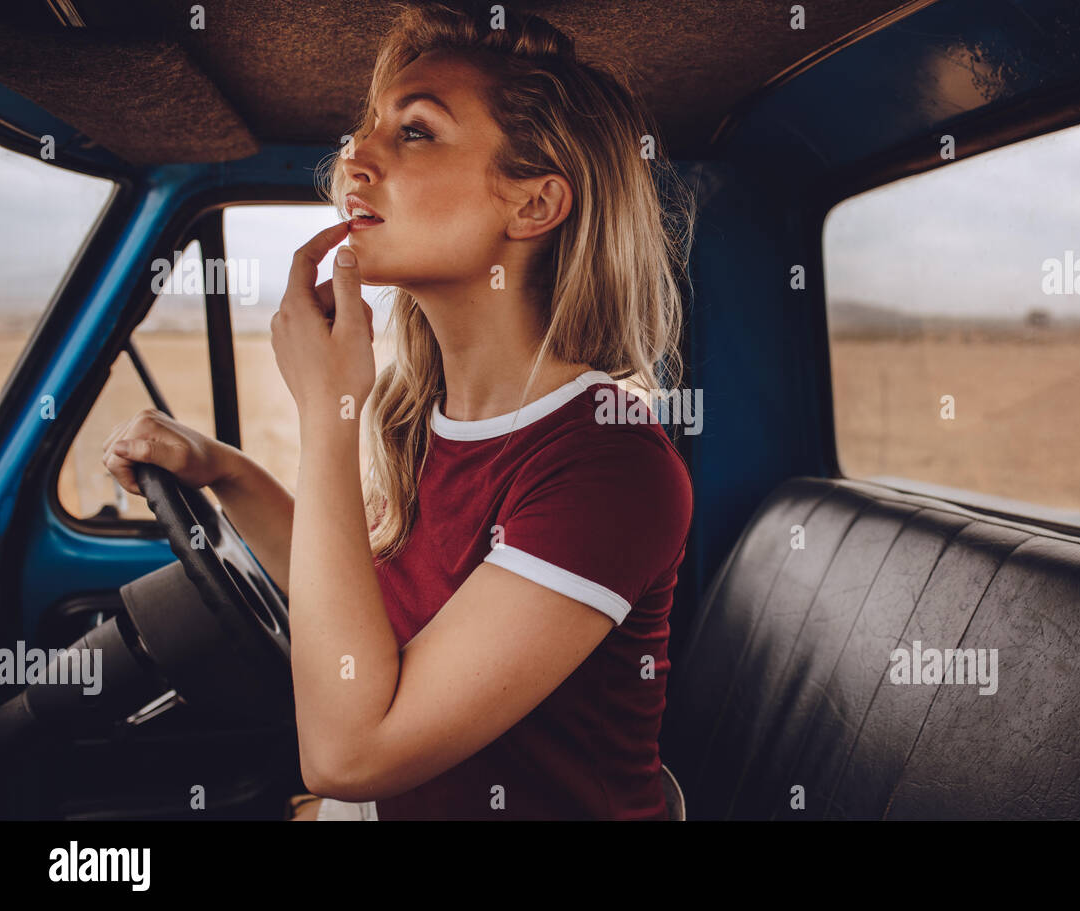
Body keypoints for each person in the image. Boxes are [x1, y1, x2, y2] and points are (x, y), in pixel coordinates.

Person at [102, 0, 695, 820]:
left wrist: (328, 408)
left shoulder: (609, 463)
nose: (354, 155)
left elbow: (350, 752)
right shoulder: (436, 416)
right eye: (367, 127)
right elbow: (363, 610)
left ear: (534, 205)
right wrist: (225, 470)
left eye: (414, 131)